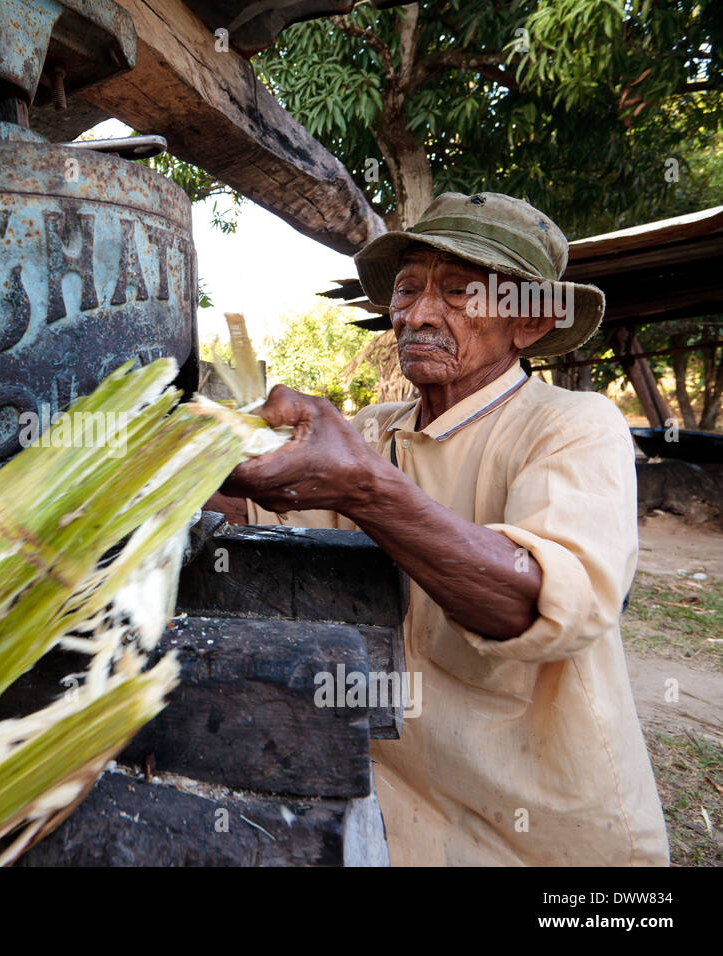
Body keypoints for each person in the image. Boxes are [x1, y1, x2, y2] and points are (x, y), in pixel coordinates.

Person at [218, 192, 671, 865]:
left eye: (459, 292)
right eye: (407, 289)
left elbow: (529, 601)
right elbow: (250, 511)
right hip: (396, 814)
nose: (419, 314)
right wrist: (200, 453)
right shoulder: (372, 431)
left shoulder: (571, 426)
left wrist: (368, 488)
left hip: (540, 834)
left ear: (530, 321)